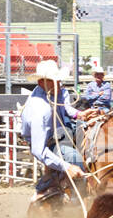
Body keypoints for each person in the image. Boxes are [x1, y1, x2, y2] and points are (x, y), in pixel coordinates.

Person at [19, 59, 86, 200]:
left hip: (62, 131)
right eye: (53, 80)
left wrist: (79, 114)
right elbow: (38, 150)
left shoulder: (57, 92)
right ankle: (77, 201)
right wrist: (67, 166)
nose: (59, 83)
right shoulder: (40, 110)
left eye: (58, 80)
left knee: (91, 132)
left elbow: (65, 107)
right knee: (75, 158)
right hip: (47, 141)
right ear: (41, 83)